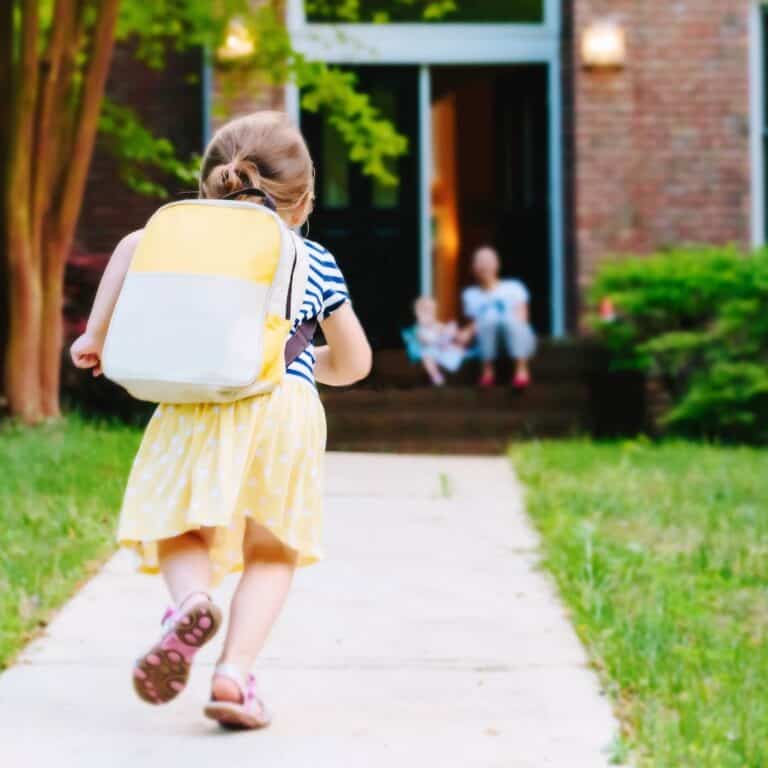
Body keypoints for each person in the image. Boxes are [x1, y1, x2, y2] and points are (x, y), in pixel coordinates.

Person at [70, 112, 371, 730]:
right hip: (282, 410)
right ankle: (234, 676)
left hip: (193, 404)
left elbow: (128, 252)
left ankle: (190, 602)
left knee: (179, 528)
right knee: (272, 550)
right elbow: (357, 362)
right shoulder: (313, 258)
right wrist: (313, 362)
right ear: (304, 200)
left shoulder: (160, 239)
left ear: (210, 184)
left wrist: (93, 337)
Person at [460, 245, 536, 389]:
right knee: (487, 321)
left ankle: (521, 369)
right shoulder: (470, 295)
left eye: (488, 262)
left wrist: (499, 320)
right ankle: (487, 371)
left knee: (508, 320)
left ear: (497, 264)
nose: (484, 266)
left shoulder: (514, 287)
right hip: (488, 341)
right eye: (480, 262)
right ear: (473, 267)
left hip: (517, 337)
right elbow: (474, 324)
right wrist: (465, 333)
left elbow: (522, 318)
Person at [413, 296, 464, 386]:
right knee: (427, 358)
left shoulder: (437, 324)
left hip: (442, 348)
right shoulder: (419, 329)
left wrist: (450, 332)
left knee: (458, 348)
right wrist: (431, 340)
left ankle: (455, 370)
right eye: (423, 312)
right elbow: (423, 340)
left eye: (430, 312)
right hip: (430, 350)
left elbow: (445, 331)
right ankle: (435, 376)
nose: (427, 315)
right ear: (418, 314)